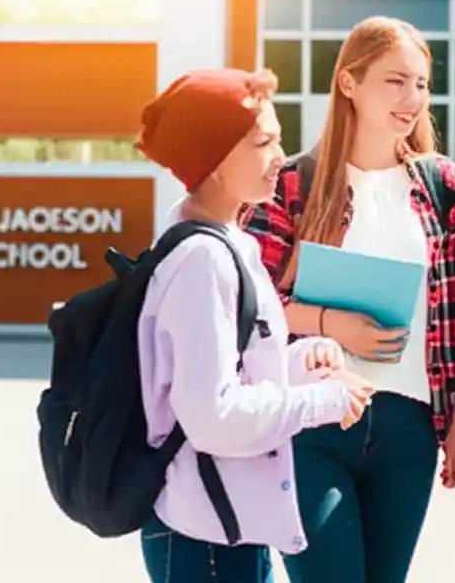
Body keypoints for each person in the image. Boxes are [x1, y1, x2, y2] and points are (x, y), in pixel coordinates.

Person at [242, 16, 455, 583]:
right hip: (310, 421)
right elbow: (248, 304)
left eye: (421, 84)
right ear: (349, 83)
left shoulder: (443, 188)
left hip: (408, 424)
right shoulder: (292, 183)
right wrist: (332, 323)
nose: (413, 98)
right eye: (395, 81)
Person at [133, 68, 375, 583]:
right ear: (214, 160)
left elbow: (229, 368)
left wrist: (300, 362)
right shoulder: (204, 260)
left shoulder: (225, 242)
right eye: (263, 142)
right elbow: (213, 416)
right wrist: (323, 403)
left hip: (225, 523)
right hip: (204, 538)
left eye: (279, 140)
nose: (278, 159)